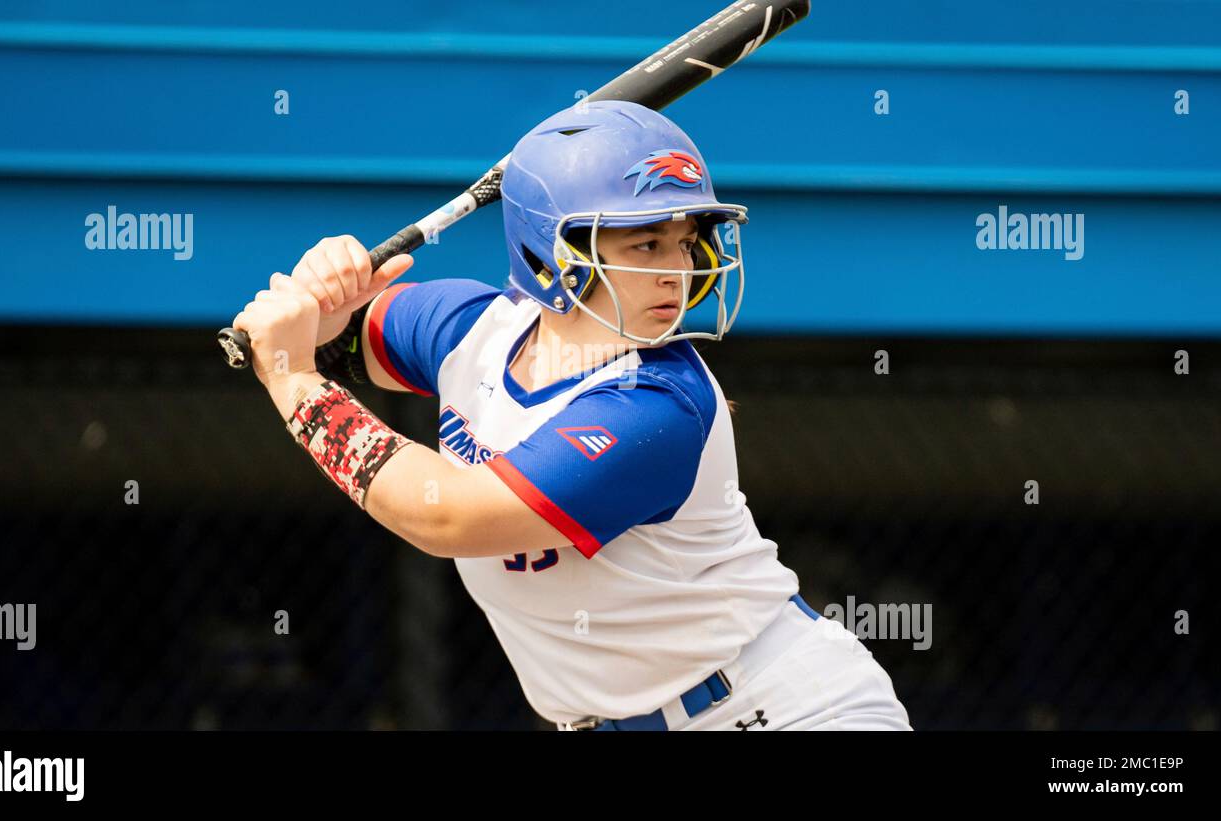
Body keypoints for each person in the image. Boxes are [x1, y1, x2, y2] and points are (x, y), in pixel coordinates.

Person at [230, 100, 912, 731]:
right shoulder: (470, 328)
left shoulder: (658, 403)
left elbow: (447, 516)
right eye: (645, 245)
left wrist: (294, 383)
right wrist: (328, 300)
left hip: (784, 709)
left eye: (686, 241)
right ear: (553, 257)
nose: (677, 270)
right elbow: (338, 339)